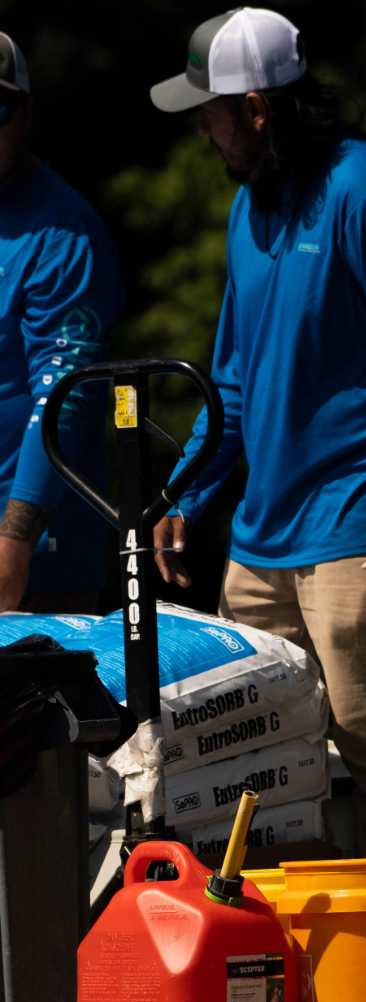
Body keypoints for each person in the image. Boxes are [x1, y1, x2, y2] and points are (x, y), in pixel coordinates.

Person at [148, 8, 366, 856]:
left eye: (209, 112)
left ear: (255, 108)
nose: (203, 132)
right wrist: (187, 492)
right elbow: (238, 382)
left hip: (364, 532)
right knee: (246, 760)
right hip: (260, 545)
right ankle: (282, 968)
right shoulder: (249, 211)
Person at [0, 32, 121, 614]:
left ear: (24, 113)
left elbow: (61, 395)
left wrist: (14, 537)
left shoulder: (65, 233)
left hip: (35, 554)